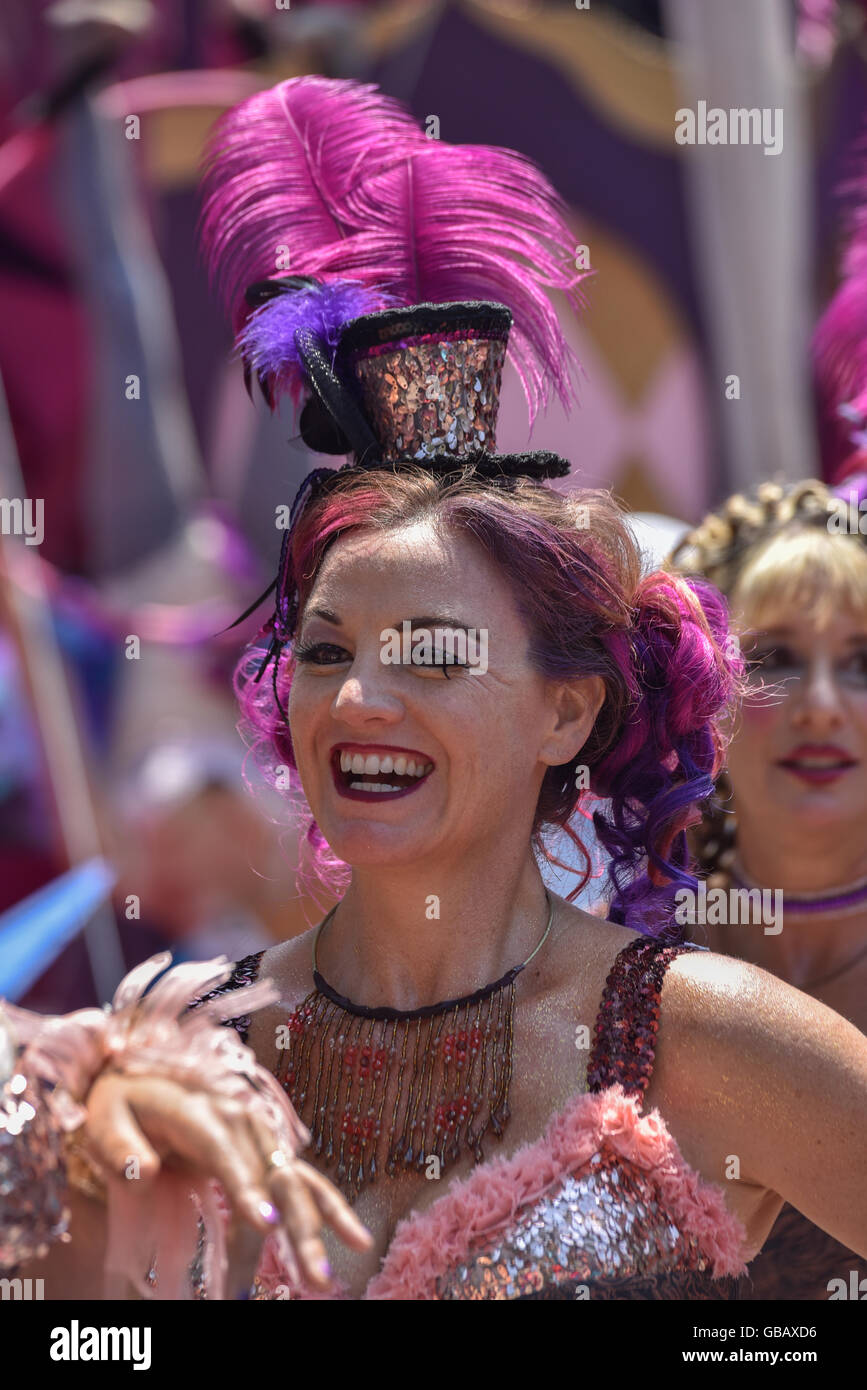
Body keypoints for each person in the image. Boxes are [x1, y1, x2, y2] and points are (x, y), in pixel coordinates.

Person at [4, 76, 867, 1302]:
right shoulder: (184, 1041)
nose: (359, 699)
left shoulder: (698, 1036)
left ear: (567, 709)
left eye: (431, 654)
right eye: (325, 650)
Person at [670, 475, 867, 1299]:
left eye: (861, 663)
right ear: (705, 696)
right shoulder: (624, 952)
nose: (821, 706)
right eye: (778, 658)